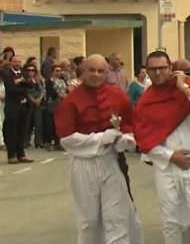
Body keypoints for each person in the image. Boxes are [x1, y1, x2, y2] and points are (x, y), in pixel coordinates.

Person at [55, 54, 141, 244]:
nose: (96, 75)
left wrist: (125, 140)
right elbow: (67, 139)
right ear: (83, 72)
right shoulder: (70, 101)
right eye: (91, 70)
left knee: (117, 217)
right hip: (83, 164)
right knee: (88, 221)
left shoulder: (118, 97)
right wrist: (101, 138)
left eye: (100, 71)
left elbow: (130, 126)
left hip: (110, 161)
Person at [134, 51, 190, 244]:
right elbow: (143, 139)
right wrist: (170, 155)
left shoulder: (189, 87)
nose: (158, 73)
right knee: (171, 220)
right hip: (166, 164)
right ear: (147, 71)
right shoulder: (145, 101)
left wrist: (183, 87)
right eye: (153, 69)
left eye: (162, 68)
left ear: (170, 68)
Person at [0, 55, 33, 164]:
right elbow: (11, 87)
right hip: (12, 106)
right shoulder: (7, 74)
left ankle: (21, 154)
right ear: (11, 62)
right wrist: (21, 84)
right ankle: (11, 155)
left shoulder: (23, 73)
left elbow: (30, 84)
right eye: (15, 62)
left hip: (23, 105)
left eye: (19, 61)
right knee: (11, 131)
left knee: (21, 130)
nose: (17, 63)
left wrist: (21, 82)